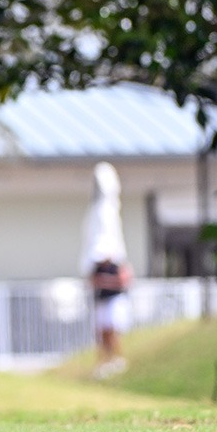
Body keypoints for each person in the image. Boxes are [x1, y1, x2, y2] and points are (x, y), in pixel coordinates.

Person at [80, 162, 133, 379]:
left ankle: (117, 359)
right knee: (101, 331)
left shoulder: (116, 264)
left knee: (113, 330)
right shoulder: (95, 216)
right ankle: (103, 362)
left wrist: (107, 281)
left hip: (114, 298)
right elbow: (91, 280)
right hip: (101, 299)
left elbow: (125, 279)